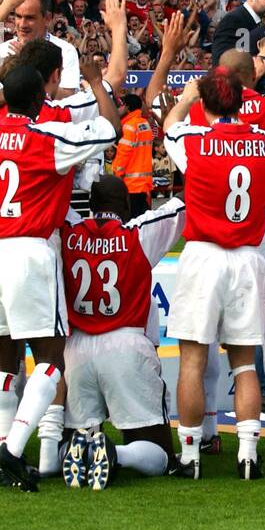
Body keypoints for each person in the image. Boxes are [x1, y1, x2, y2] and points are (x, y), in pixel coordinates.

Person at [0, 58, 122, 490]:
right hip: (29, 252)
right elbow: (109, 129)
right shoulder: (47, 137)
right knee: (50, 359)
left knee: (3, 360)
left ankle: (3, 446)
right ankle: (14, 448)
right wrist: (97, 85)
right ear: (41, 99)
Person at [161, 69, 265, 480]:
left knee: (193, 361)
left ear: (206, 103)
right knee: (244, 362)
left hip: (204, 254)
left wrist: (188, 97)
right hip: (248, 256)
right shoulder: (263, 142)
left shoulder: (193, 139)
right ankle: (248, 454)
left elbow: (169, 125)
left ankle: (191, 457)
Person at [59, 176, 186, 490]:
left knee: (71, 436)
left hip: (76, 350)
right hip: (126, 345)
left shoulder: (68, 229)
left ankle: (80, 450)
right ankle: (116, 453)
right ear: (126, 206)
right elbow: (183, 203)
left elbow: (52, 201)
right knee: (160, 453)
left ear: (90, 205)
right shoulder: (139, 233)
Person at [113, 93, 154, 219]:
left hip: (130, 185)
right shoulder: (145, 124)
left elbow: (124, 153)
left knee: (130, 224)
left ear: (127, 107)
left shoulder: (129, 126)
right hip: (144, 183)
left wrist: (116, 173)